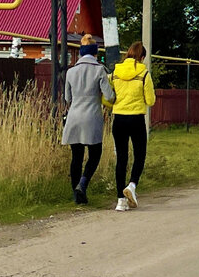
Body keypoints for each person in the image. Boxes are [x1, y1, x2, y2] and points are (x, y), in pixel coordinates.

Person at [61, 34, 115, 205]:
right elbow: (110, 96)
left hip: (74, 117)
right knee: (95, 153)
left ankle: (75, 192)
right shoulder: (99, 70)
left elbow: (67, 98)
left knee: (76, 156)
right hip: (92, 116)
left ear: (81, 53)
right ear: (95, 53)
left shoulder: (70, 72)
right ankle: (83, 184)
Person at [111, 41, 156, 212]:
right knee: (140, 154)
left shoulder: (116, 71)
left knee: (121, 158)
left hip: (119, 119)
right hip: (136, 118)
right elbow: (150, 100)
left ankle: (120, 201)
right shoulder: (144, 73)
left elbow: (108, 96)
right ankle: (132, 185)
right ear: (142, 57)